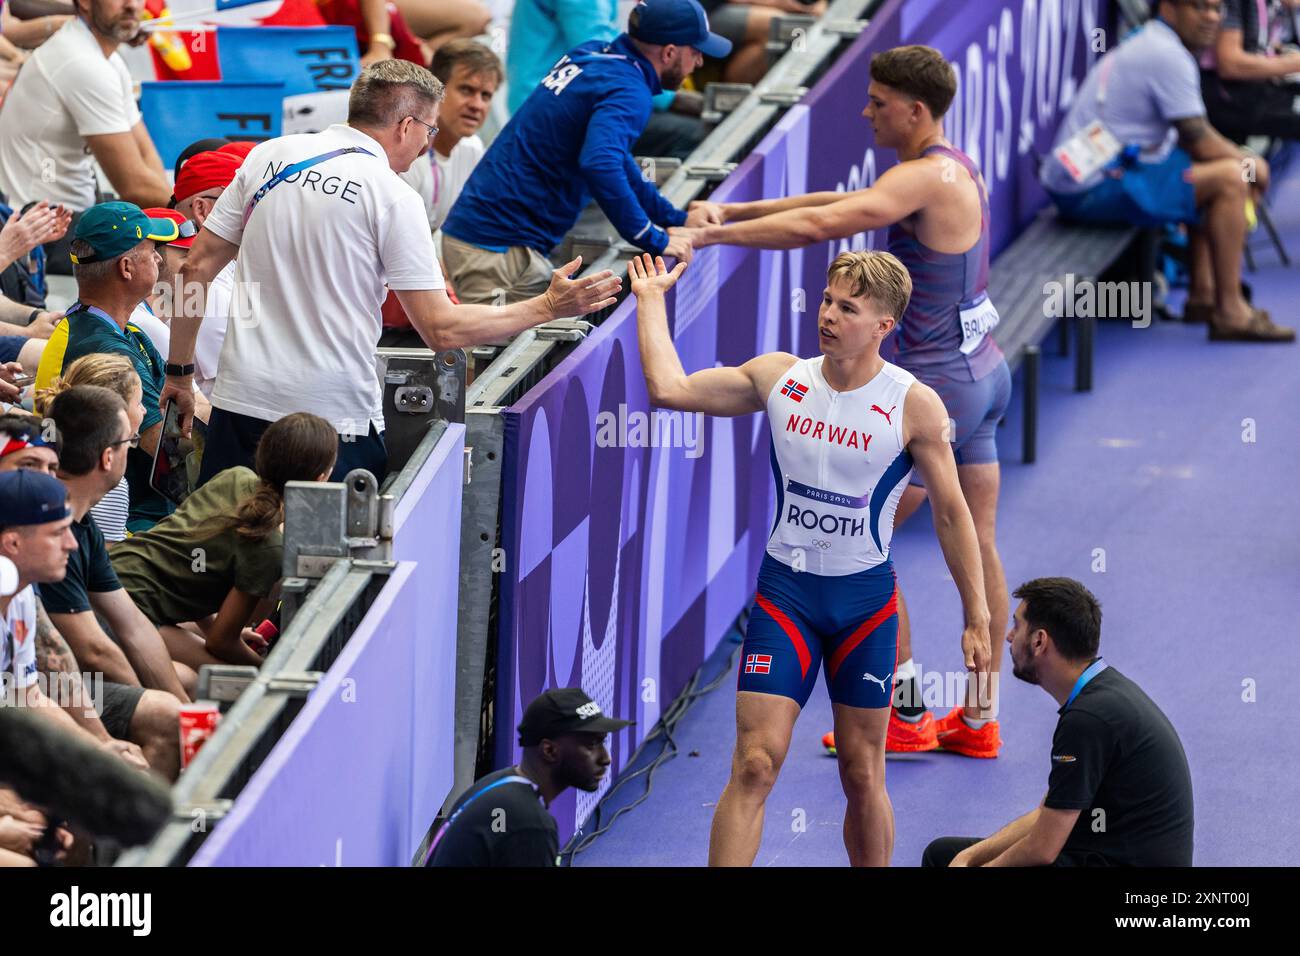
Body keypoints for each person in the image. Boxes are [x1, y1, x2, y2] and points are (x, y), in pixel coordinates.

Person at [672, 45, 1012, 757]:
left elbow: (821, 227)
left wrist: (709, 236)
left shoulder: (919, 176)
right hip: (982, 373)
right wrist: (734, 208)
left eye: (878, 103)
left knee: (869, 546)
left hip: (934, 391)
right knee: (978, 538)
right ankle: (980, 718)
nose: (865, 112)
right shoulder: (950, 166)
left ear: (914, 111)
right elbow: (833, 203)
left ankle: (908, 713)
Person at [630, 251, 992, 867]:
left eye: (848, 308)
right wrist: (649, 301)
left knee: (861, 771)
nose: (827, 315)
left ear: (883, 326)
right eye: (827, 300)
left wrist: (976, 615)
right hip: (786, 597)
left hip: (864, 606)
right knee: (755, 763)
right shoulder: (780, 378)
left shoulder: (915, 405)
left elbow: (953, 514)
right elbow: (671, 389)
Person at [164, 58, 621, 487]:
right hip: (332, 420)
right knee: (321, 547)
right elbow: (442, 330)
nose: (427, 144)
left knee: (230, 542)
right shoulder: (393, 196)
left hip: (239, 406)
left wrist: (179, 373)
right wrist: (548, 306)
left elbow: (195, 270)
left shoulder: (269, 155)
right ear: (407, 125)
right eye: (429, 130)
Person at [440, 0, 729, 307]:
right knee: (524, 336)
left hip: (492, 240)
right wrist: (651, 237)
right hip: (494, 249)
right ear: (669, 52)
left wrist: (673, 218)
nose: (699, 61)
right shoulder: (629, 89)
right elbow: (600, 163)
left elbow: (616, 160)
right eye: (695, 51)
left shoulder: (594, 53)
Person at [1040, 0, 1292, 341]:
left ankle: (1203, 295)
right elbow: (1201, 141)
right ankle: (1231, 312)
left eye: (1217, 9)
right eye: (1200, 7)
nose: (1212, 18)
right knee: (1232, 178)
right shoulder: (1166, 54)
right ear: (1169, 8)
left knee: (1214, 170)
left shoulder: (1157, 41)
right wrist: (1253, 164)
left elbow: (1195, 145)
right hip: (1088, 188)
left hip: (1090, 174)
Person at [922, 577, 1194, 867]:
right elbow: (1046, 814)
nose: (1009, 637)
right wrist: (969, 856)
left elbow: (1042, 850)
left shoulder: (1087, 720)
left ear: (1039, 641)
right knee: (946, 855)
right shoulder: (1101, 694)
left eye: (1017, 626)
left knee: (942, 861)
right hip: (1109, 849)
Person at [111, 412, 337, 668]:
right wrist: (265, 669)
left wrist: (224, 631)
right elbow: (220, 643)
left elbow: (187, 565)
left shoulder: (235, 477)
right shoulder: (271, 548)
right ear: (320, 479)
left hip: (114, 572)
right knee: (222, 681)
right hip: (130, 607)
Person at [0, 469, 180, 780]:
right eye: (58, 533)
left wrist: (98, 747)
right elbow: (93, 652)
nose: (71, 544)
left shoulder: (21, 593)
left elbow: (30, 695)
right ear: (12, 543)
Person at [37, 384, 195, 708]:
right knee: (162, 712)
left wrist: (183, 710)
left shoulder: (82, 521)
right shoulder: (47, 532)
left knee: (186, 683)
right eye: (130, 442)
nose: (131, 449)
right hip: (29, 689)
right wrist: (150, 703)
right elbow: (93, 651)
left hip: (63, 672)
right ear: (108, 457)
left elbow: (132, 624)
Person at [34, 201, 179, 531]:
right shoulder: (103, 346)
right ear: (126, 267)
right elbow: (169, 452)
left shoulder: (122, 331)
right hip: (136, 521)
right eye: (151, 250)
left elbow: (182, 410)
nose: (159, 258)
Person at [0, 0, 173, 273]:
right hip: (41, 233)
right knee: (169, 259)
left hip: (70, 214)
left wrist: (178, 211)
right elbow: (136, 186)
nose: (132, 5)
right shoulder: (82, 62)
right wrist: (189, 219)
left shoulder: (106, 58)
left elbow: (145, 155)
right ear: (84, 3)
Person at [425, 687, 631, 867]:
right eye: (592, 745)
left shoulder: (499, 784)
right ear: (549, 750)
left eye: (602, 742)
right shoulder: (530, 826)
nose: (606, 758)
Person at [505, 0, 708, 159]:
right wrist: (671, 99)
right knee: (695, 135)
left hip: (554, 101)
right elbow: (602, 52)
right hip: (553, 110)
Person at [169, 142, 251, 399]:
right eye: (244, 203)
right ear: (202, 210)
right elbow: (243, 380)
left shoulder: (230, 271)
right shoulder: (206, 286)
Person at [34, 352, 143, 543]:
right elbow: (111, 555)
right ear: (119, 413)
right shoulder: (109, 483)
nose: (144, 410)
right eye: (139, 403)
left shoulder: (44, 455)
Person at [1201, 0, 1300, 143]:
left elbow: (1260, 45)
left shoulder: (1271, 6)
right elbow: (1230, 65)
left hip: (1256, 90)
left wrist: (1283, 53)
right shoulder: (1238, 3)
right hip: (1228, 96)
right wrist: (1291, 64)